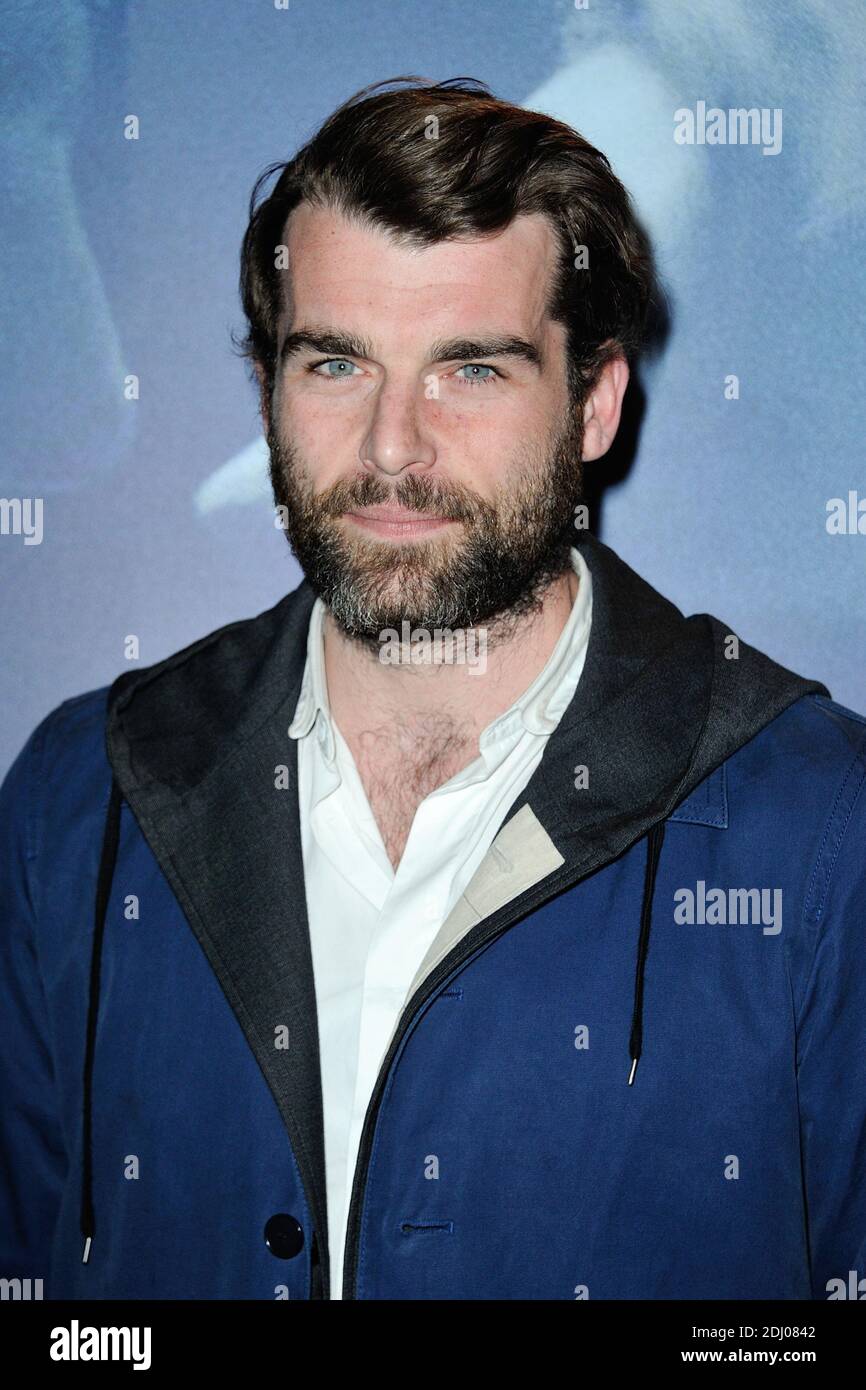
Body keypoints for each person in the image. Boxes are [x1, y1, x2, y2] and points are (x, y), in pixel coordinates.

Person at [1, 76, 864, 1302]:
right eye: (337, 363)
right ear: (268, 393)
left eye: (470, 369)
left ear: (593, 404)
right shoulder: (77, 800)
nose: (393, 446)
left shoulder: (821, 825)